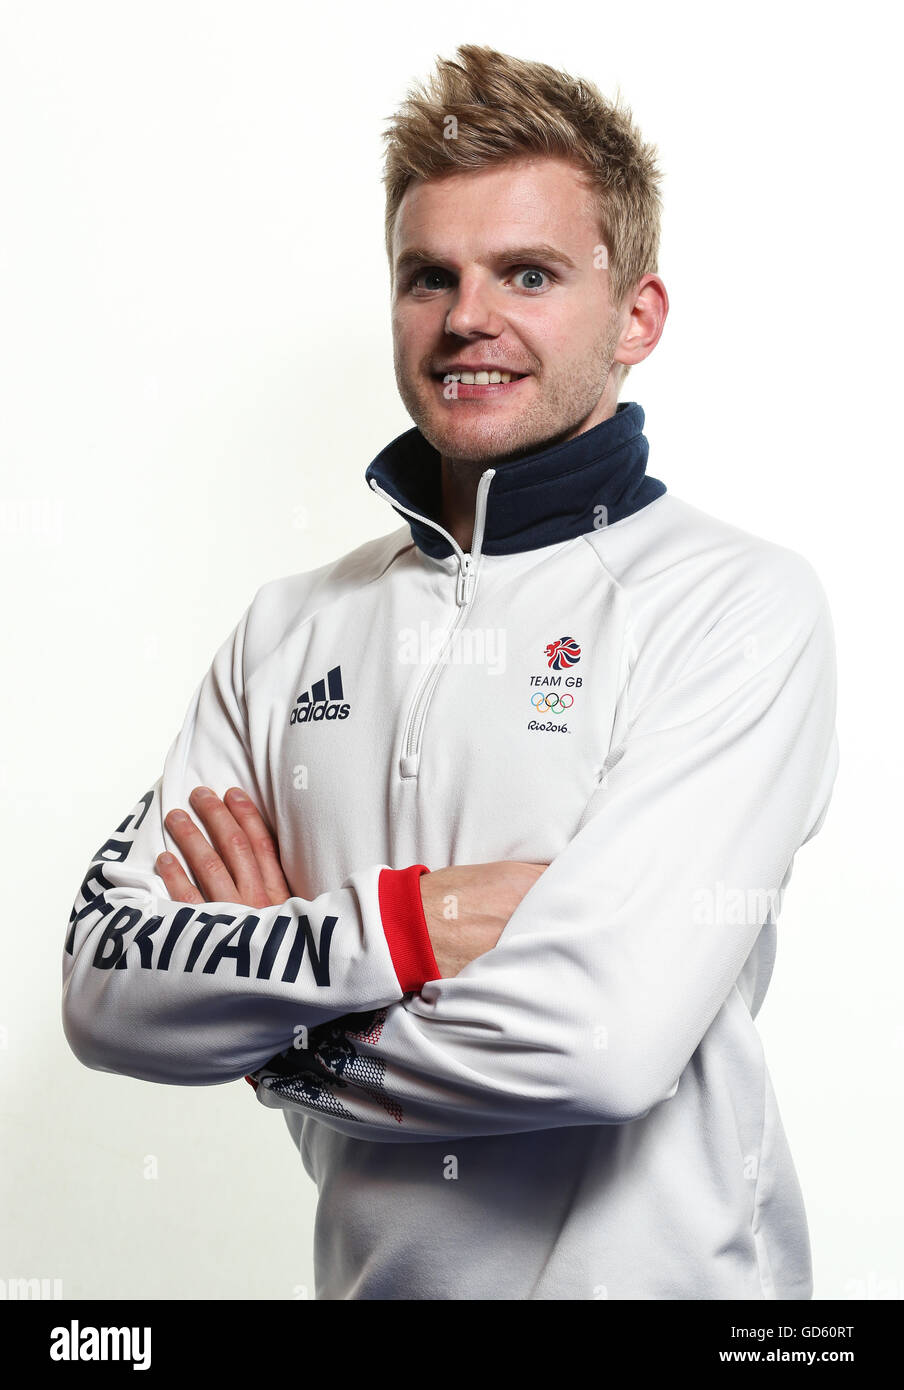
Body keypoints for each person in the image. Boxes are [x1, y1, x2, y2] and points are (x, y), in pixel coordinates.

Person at [63, 44, 839, 1300]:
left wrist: (269, 1018)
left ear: (636, 314)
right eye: (430, 276)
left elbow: (598, 1041)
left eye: (526, 273)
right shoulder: (286, 631)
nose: (466, 316)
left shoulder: (736, 605)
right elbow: (109, 989)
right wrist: (415, 924)